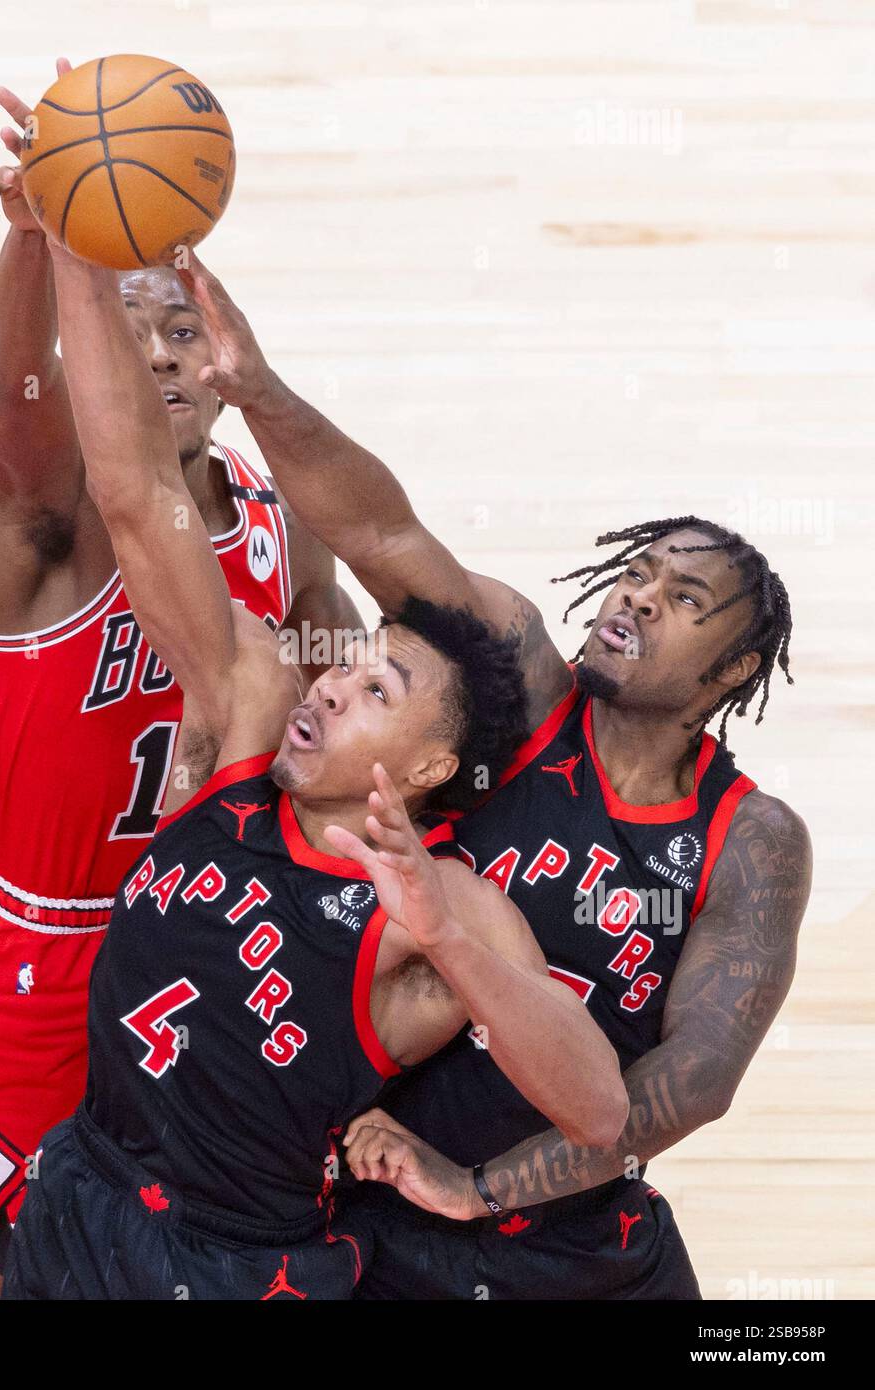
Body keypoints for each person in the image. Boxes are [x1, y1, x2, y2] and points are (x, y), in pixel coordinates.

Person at [1, 227, 629, 1301]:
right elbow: (135, 498)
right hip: (82, 1186)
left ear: (432, 761)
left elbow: (599, 1113)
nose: (332, 682)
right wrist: (73, 245)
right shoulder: (247, 716)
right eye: (349, 665)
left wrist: (446, 942)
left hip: (235, 1264)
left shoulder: (444, 908)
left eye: (376, 689)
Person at [171, 257, 813, 1299]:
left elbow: (694, 1079)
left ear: (735, 668)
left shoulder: (750, 839)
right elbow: (381, 531)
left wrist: (480, 1185)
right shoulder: (513, 690)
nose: (638, 597)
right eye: (639, 570)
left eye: (682, 596)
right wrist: (255, 389)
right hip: (370, 1210)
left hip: (571, 1239)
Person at [0, 64, 359, 1300]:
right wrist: (33, 243)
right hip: (38, 939)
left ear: (223, 351)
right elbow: (12, 402)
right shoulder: (50, 534)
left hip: (208, 925)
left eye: (181, 326)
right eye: (127, 326)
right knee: (23, 1252)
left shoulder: (282, 513)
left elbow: (342, 659)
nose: (160, 352)